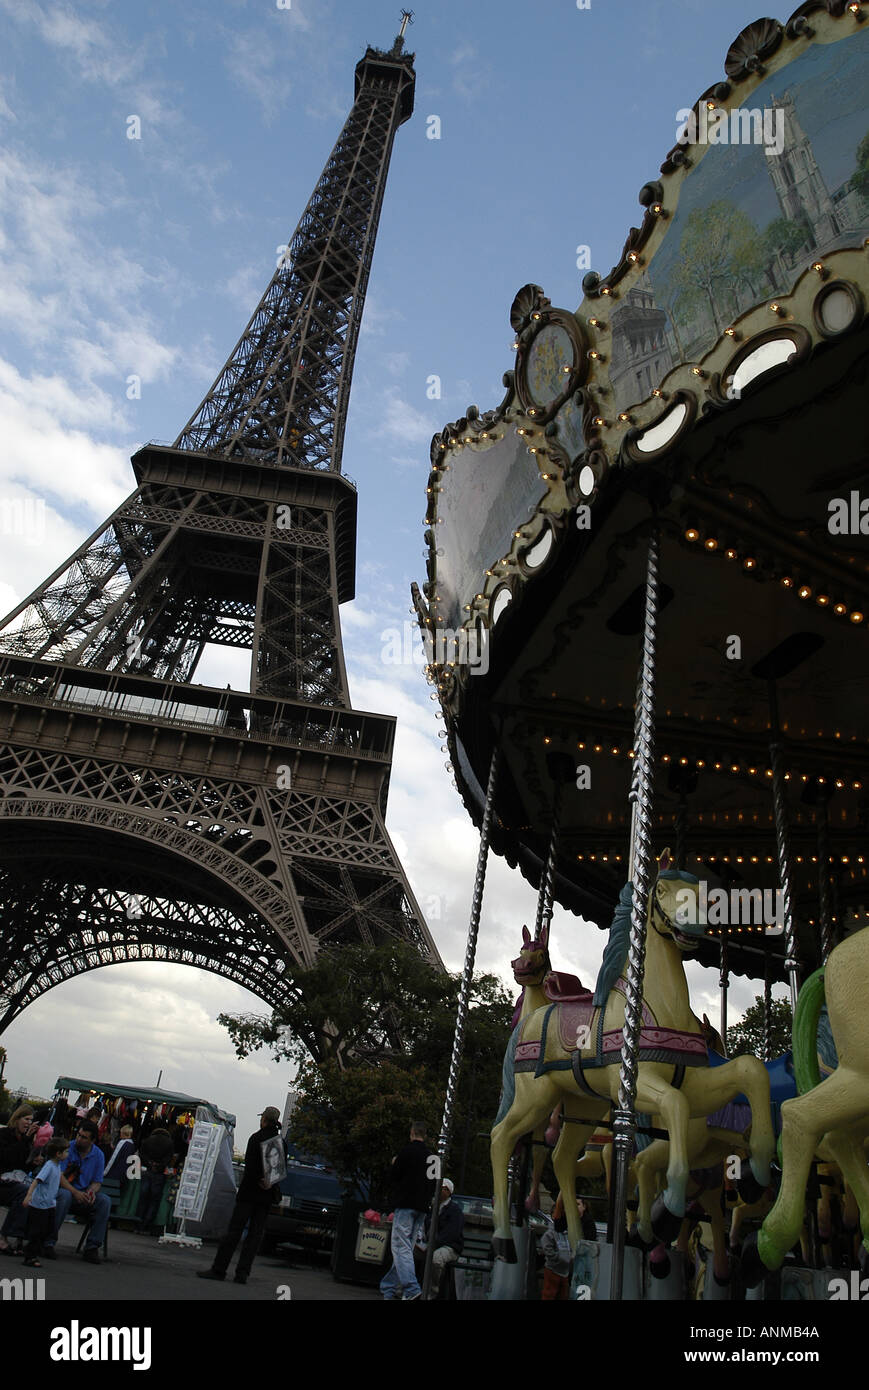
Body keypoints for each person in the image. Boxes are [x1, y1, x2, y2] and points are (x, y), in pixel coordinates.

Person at [197, 1106, 285, 1286]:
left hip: (248, 1194)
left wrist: (257, 1180)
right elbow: (280, 1170)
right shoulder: (280, 1142)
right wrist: (268, 1183)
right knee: (255, 1236)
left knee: (234, 1232)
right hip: (266, 1197)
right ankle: (242, 1273)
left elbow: (250, 1167)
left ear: (264, 1120)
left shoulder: (256, 1138)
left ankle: (219, 1269)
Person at [379, 1120, 436, 1302]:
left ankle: (411, 1288)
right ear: (424, 1135)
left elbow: (393, 1176)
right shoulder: (431, 1157)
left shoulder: (406, 1152)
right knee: (406, 1248)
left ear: (412, 1133)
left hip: (405, 1204)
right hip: (422, 1207)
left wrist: (395, 1163)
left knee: (399, 1246)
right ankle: (389, 1286)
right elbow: (434, 1182)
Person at [44, 1119, 111, 1264]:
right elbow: (59, 1176)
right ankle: (48, 1242)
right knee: (65, 1196)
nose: (79, 1139)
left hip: (82, 1194)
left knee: (104, 1201)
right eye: (79, 1135)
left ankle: (92, 1247)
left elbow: (97, 1181)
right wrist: (75, 1192)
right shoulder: (67, 1148)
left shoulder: (98, 1155)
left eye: (84, 1137)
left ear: (92, 1140)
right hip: (64, 1191)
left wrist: (91, 1192)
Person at [21, 1138, 69, 1267]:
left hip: (49, 1204)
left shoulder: (57, 1166)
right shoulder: (49, 1166)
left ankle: (32, 1250)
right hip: (39, 1205)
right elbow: (36, 1181)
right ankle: (30, 1256)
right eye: (66, 1151)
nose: (67, 1154)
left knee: (48, 1230)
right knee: (37, 1231)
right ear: (58, 1154)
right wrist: (29, 1195)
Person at [415, 1177, 464, 1299]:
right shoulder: (432, 1207)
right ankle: (408, 1289)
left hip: (449, 1247)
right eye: (440, 1188)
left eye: (444, 1189)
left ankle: (432, 1292)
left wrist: (433, 1244)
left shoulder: (455, 1210)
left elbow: (451, 1234)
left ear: (449, 1192)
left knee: (436, 1259)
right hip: (429, 1244)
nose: (441, 1191)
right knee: (408, 1253)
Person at [0, 1106, 38, 1253]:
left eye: (31, 1120)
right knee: (23, 1193)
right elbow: (6, 1157)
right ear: (17, 1119)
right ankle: (6, 1236)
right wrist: (26, 1141)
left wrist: (33, 1161)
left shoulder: (26, 1140)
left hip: (13, 1181)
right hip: (3, 1180)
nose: (29, 1123)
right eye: (26, 1119)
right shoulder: (4, 1135)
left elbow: (21, 1167)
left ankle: (24, 1239)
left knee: (34, 1193)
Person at [136, 1126, 174, 1234]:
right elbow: (169, 1158)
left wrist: (149, 1163)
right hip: (159, 1174)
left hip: (147, 1171)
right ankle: (146, 1225)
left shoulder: (147, 1141)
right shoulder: (169, 1143)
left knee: (143, 1198)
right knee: (154, 1200)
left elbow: (141, 1154)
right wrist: (159, 1165)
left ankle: (138, 1224)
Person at [104, 1125, 137, 1194]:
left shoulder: (122, 1143)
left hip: (113, 1175)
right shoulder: (132, 1146)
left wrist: (104, 1172)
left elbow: (113, 1159)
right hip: (122, 1177)